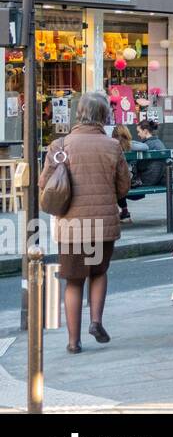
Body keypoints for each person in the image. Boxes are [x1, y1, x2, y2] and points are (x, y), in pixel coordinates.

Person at [38, 92, 131, 354]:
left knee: (74, 281)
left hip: (71, 225)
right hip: (102, 223)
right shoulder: (112, 146)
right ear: (104, 116)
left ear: (78, 114)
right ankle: (96, 321)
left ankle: (73, 341)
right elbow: (123, 187)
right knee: (98, 273)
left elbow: (44, 183)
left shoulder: (60, 145)